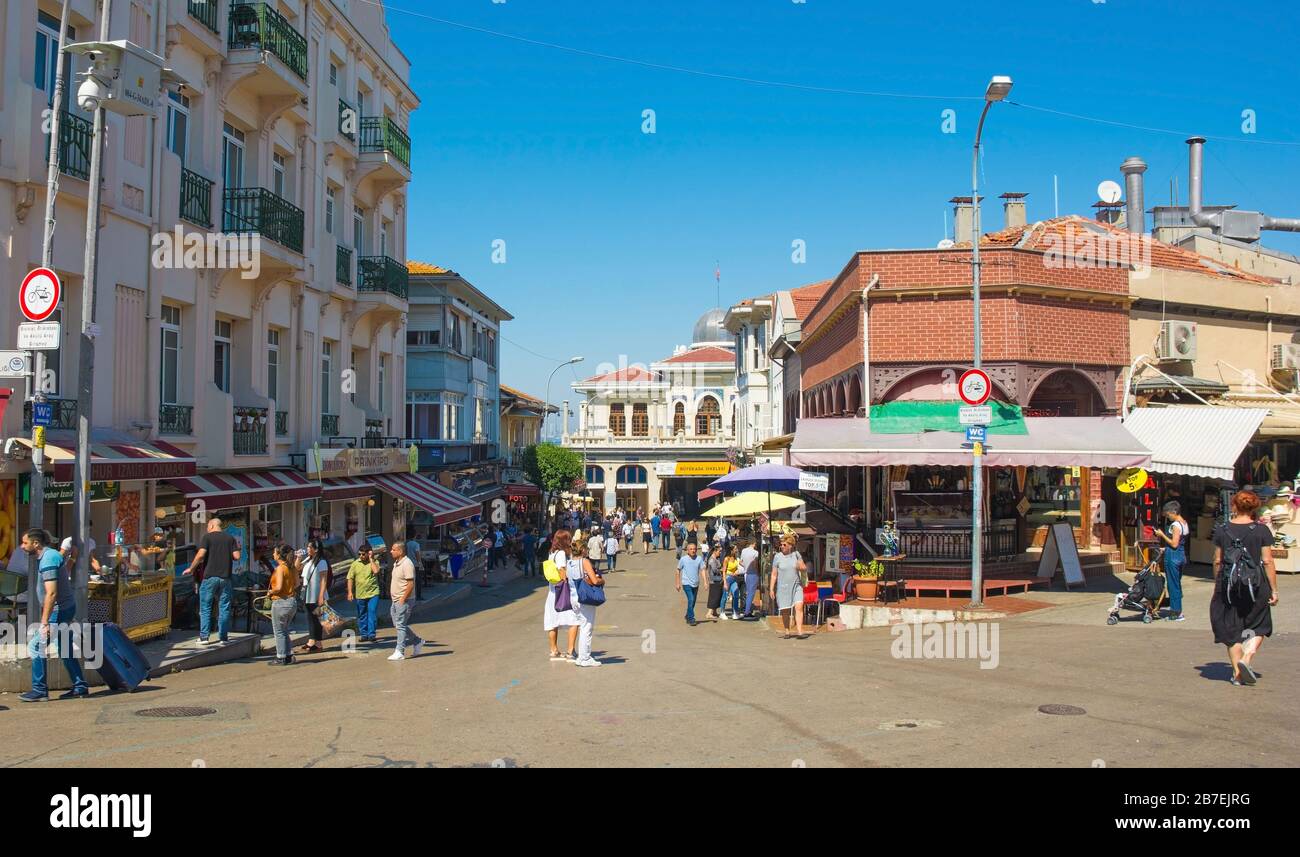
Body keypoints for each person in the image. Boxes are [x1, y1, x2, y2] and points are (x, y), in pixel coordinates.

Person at [1211, 490, 1279, 686]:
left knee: (1231, 629)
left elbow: (1217, 560)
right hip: (1256, 585)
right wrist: (1274, 589)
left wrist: (1219, 585)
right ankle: (1247, 657)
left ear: (1234, 505)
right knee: (1261, 624)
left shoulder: (1222, 530)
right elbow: (1267, 561)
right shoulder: (1261, 530)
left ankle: (1236, 674)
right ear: (1255, 507)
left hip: (1229, 586)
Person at [18, 529, 89, 702]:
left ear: (36, 544)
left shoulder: (48, 558)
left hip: (58, 610)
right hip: (66, 607)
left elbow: (51, 594)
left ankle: (39, 689)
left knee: (36, 646)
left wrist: (44, 623)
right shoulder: (51, 556)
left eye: (25, 543)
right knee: (64, 646)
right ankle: (80, 686)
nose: (22, 546)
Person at [191, 517, 240, 647]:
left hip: (210, 577)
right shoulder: (230, 538)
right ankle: (223, 637)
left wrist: (191, 568)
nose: (207, 528)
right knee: (224, 607)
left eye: (208, 525)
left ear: (212, 525)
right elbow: (237, 556)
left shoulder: (207, 538)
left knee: (205, 607)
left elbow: (201, 555)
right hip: (225, 578)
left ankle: (204, 637)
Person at [545, 529, 581, 662]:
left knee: (553, 621)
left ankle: (554, 650)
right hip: (564, 592)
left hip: (553, 592)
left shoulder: (552, 553)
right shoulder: (561, 554)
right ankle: (571, 651)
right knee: (574, 620)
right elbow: (562, 572)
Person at [386, 541, 424, 660]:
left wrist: (403, 598)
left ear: (400, 551)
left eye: (393, 549)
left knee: (400, 625)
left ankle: (400, 651)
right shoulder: (396, 563)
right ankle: (417, 641)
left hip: (404, 600)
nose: (391, 551)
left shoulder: (407, 564)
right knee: (397, 624)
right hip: (395, 600)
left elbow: (410, 584)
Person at [1154, 500, 1189, 621]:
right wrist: (1165, 548)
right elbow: (1179, 543)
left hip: (1173, 557)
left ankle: (1176, 613)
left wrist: (1162, 535)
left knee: (1172, 585)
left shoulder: (1175, 525)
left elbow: (1174, 544)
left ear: (1174, 512)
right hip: (1181, 555)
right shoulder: (1184, 523)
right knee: (1177, 584)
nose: (1168, 517)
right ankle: (1178, 610)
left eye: (1168, 515)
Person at [572, 543, 605, 668]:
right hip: (585, 597)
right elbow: (595, 580)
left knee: (582, 626)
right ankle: (585, 657)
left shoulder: (570, 562)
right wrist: (602, 580)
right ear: (583, 550)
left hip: (574, 597)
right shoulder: (584, 561)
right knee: (587, 628)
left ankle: (582, 656)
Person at [769, 535, 808, 639]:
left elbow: (804, 567)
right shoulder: (777, 557)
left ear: (791, 545)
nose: (782, 546)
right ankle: (787, 631)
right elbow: (774, 574)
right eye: (781, 545)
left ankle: (800, 631)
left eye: (784, 545)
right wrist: (771, 588)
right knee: (785, 610)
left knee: (799, 607)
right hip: (783, 588)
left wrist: (802, 568)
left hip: (796, 586)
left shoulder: (796, 555)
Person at [267, 544, 299, 665]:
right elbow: (296, 584)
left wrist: (271, 591)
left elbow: (279, 587)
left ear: (279, 555)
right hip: (292, 602)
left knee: (279, 631)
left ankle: (281, 657)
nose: (273, 554)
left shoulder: (280, 568)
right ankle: (289, 655)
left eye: (274, 552)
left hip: (280, 602)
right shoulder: (291, 568)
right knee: (285, 630)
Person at [297, 539, 329, 655]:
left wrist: (321, 596)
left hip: (316, 594)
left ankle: (317, 643)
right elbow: (297, 568)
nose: (307, 549)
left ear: (316, 549)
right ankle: (312, 641)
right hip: (307, 593)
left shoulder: (321, 562)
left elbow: (323, 579)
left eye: (310, 547)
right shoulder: (308, 560)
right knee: (310, 618)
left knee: (317, 619)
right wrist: (299, 557)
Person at [347, 544, 381, 643]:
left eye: (363, 554)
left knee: (372, 612)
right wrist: (350, 592)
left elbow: (376, 571)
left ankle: (371, 634)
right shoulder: (355, 564)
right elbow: (350, 578)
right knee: (362, 614)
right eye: (359, 554)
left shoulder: (375, 562)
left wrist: (371, 559)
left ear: (368, 553)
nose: (361, 556)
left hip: (373, 593)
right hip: (360, 594)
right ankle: (364, 634)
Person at [675, 541, 706, 626]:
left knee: (693, 602)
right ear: (687, 550)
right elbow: (678, 570)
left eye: (694, 549)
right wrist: (677, 583)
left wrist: (705, 582)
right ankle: (691, 618)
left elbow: (702, 570)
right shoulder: (683, 559)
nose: (693, 550)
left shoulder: (699, 558)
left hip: (696, 584)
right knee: (691, 599)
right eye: (691, 549)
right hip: (686, 583)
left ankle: (688, 615)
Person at [740, 540, 761, 618]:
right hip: (753, 573)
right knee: (751, 593)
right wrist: (757, 572)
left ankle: (746, 610)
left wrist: (746, 566)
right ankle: (747, 611)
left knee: (748, 592)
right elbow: (755, 564)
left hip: (746, 573)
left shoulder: (743, 551)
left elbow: (740, 562)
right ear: (754, 543)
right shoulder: (755, 552)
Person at [705, 543, 725, 620]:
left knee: (717, 596)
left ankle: (714, 611)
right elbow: (714, 570)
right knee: (713, 597)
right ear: (715, 551)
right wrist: (721, 569)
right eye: (719, 551)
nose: (720, 553)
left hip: (718, 580)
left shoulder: (716, 558)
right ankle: (709, 613)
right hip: (714, 581)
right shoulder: (712, 560)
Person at [724, 544, 744, 620]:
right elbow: (724, 571)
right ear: (731, 550)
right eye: (735, 549)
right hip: (728, 578)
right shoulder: (727, 559)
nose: (737, 550)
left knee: (736, 595)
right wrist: (725, 581)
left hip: (734, 578)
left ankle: (735, 613)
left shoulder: (736, 558)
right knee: (725, 596)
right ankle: (722, 612)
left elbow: (742, 565)